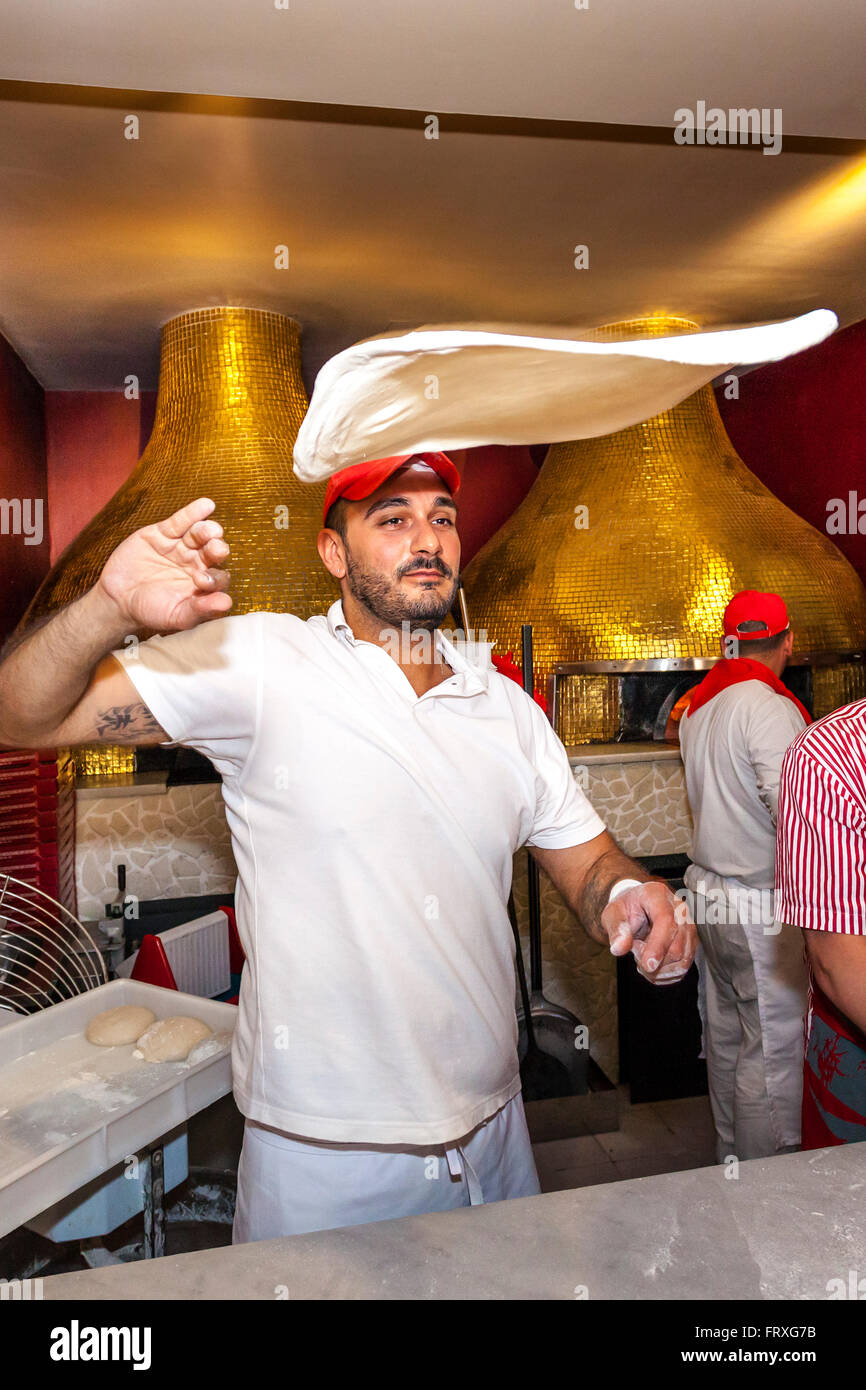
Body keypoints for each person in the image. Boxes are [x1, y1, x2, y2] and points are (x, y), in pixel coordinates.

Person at [0, 452, 695, 1241]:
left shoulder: (505, 708)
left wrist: (627, 894)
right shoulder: (261, 663)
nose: (426, 538)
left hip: (497, 1134)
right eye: (392, 518)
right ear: (333, 552)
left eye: (442, 518)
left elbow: (589, 860)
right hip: (325, 1156)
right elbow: (20, 719)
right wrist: (105, 607)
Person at [678, 590, 810, 1162]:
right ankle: (766, 1183)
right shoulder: (767, 705)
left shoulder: (700, 707)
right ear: (788, 641)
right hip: (758, 906)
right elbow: (795, 809)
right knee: (771, 1052)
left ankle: (729, 1166)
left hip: (710, 896)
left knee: (729, 1039)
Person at [776, 697, 866, 1148]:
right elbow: (837, 958)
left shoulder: (698, 709)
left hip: (722, 893)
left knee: (740, 1047)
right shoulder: (831, 753)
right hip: (857, 1035)